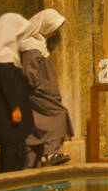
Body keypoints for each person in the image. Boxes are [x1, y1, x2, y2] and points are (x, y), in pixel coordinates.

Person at [18, 9, 73, 168]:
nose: (54, 32)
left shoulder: (37, 44)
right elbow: (30, 75)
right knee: (60, 114)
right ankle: (50, 153)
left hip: (40, 93)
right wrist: (47, 88)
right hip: (38, 94)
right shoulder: (31, 47)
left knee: (38, 124)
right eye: (53, 28)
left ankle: (38, 157)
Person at [0, 12, 35, 173]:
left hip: (9, 113)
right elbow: (7, 87)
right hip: (8, 115)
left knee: (15, 152)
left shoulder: (3, 58)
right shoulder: (2, 60)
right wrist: (14, 108)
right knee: (11, 156)